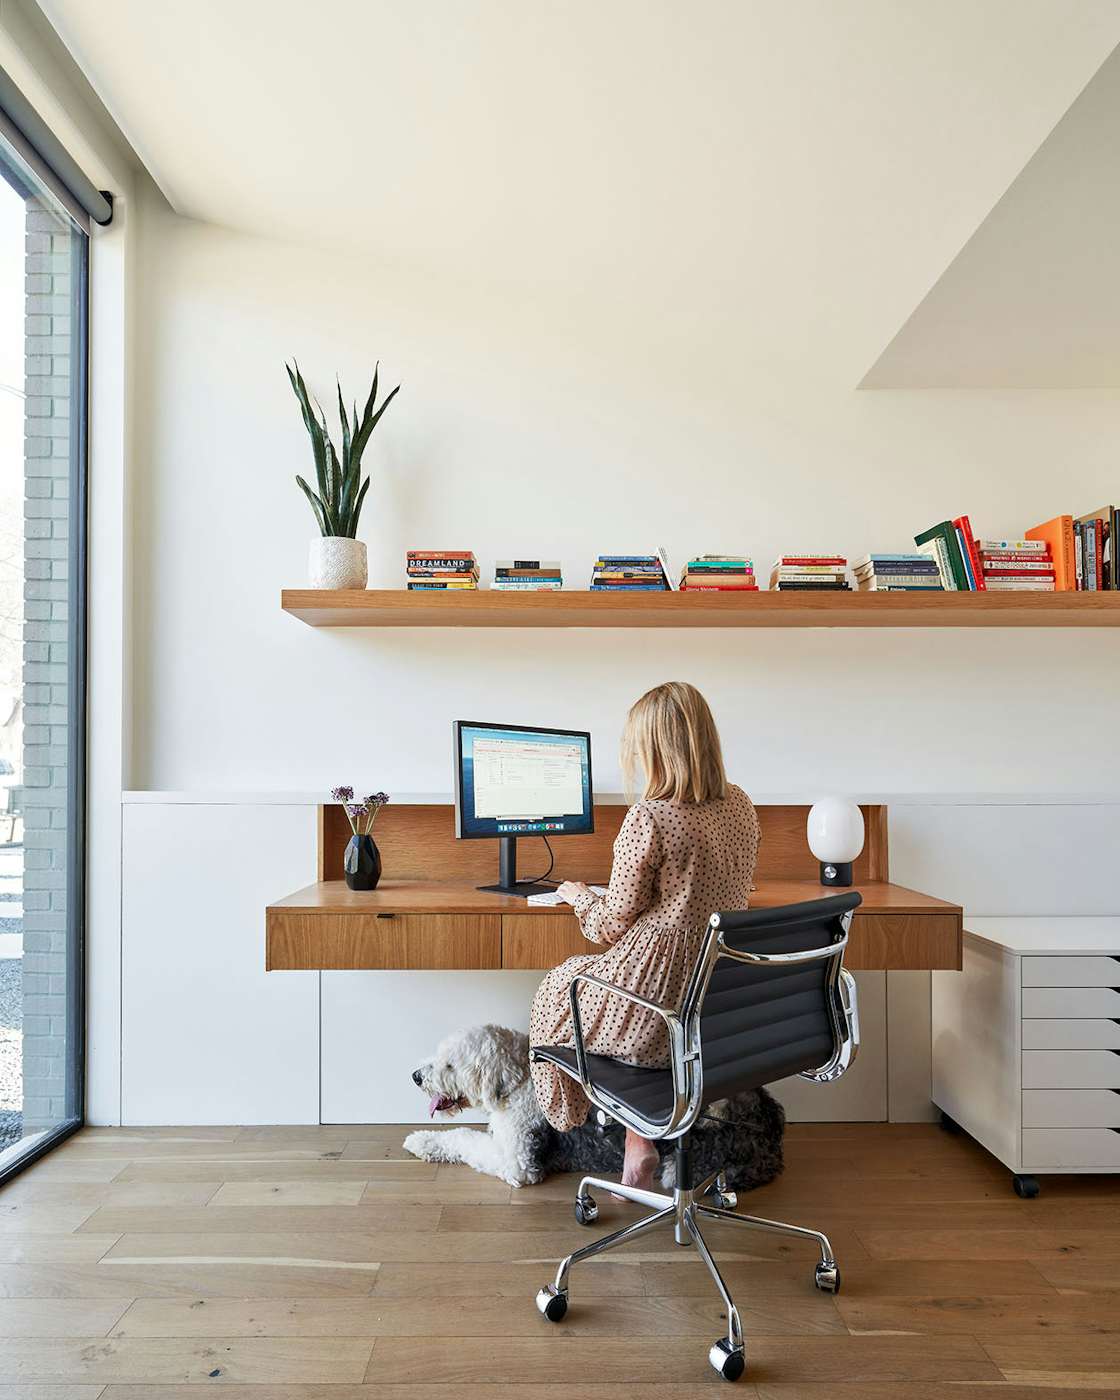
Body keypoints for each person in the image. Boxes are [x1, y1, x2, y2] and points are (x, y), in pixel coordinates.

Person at [528, 681, 760, 1190]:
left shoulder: (650, 817)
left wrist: (577, 895)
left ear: (657, 749)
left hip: (652, 1001)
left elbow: (611, 926)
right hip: (713, 1003)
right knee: (582, 990)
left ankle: (571, 1122)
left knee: (558, 988)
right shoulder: (740, 805)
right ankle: (639, 1139)